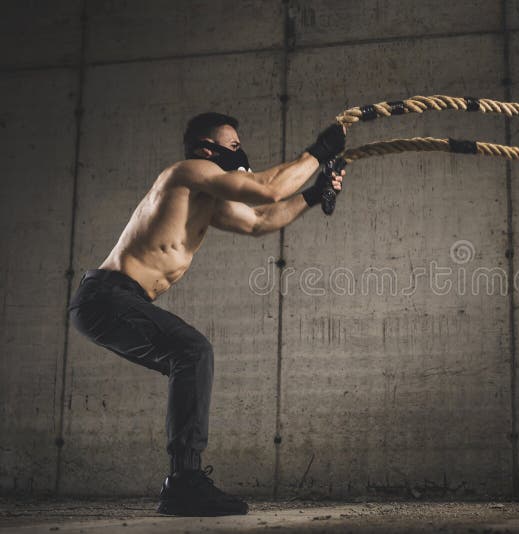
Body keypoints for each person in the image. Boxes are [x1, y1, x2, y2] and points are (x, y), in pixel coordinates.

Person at [67, 113, 346, 516]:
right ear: (205, 150)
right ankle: (183, 483)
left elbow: (260, 221)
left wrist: (314, 195)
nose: (241, 152)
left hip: (120, 302)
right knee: (193, 352)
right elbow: (267, 189)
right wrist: (318, 153)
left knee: (188, 356)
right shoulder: (187, 173)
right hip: (105, 298)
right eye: (233, 146)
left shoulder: (207, 200)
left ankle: (183, 481)